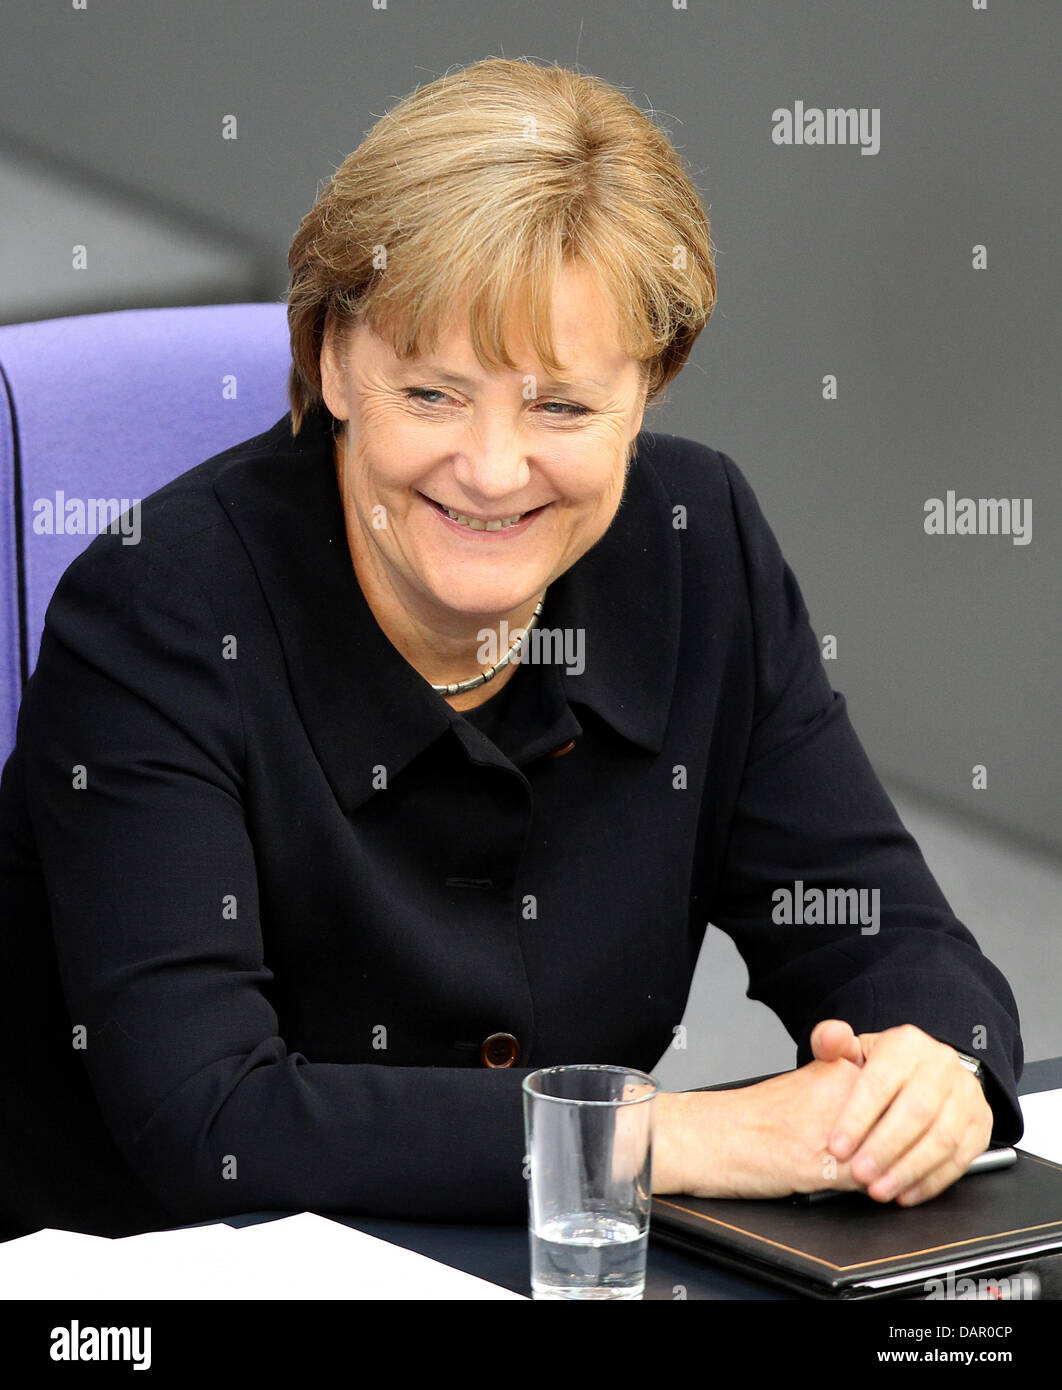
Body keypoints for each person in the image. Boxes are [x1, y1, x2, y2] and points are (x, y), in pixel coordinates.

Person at [0, 57, 1022, 1242]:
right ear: (334, 362)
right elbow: (207, 1117)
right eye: (433, 394)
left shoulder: (700, 546)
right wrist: (668, 1138)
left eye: (562, 407)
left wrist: (935, 1069)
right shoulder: (154, 609)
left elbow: (884, 931)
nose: (491, 470)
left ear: (649, 390)